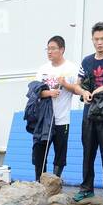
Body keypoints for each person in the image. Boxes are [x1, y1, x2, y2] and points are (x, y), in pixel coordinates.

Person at [70, 23, 103, 205]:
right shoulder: (87, 61)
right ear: (92, 39)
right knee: (88, 150)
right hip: (90, 111)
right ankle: (86, 189)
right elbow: (77, 84)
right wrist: (83, 92)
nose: (99, 42)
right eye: (96, 39)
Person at [33, 36, 75, 180]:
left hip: (62, 119)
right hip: (44, 119)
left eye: (53, 48)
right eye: (48, 49)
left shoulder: (71, 68)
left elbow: (77, 88)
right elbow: (35, 91)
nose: (49, 52)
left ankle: (55, 180)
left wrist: (65, 84)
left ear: (62, 50)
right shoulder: (43, 69)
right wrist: (49, 93)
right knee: (40, 151)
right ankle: (39, 180)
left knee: (60, 152)